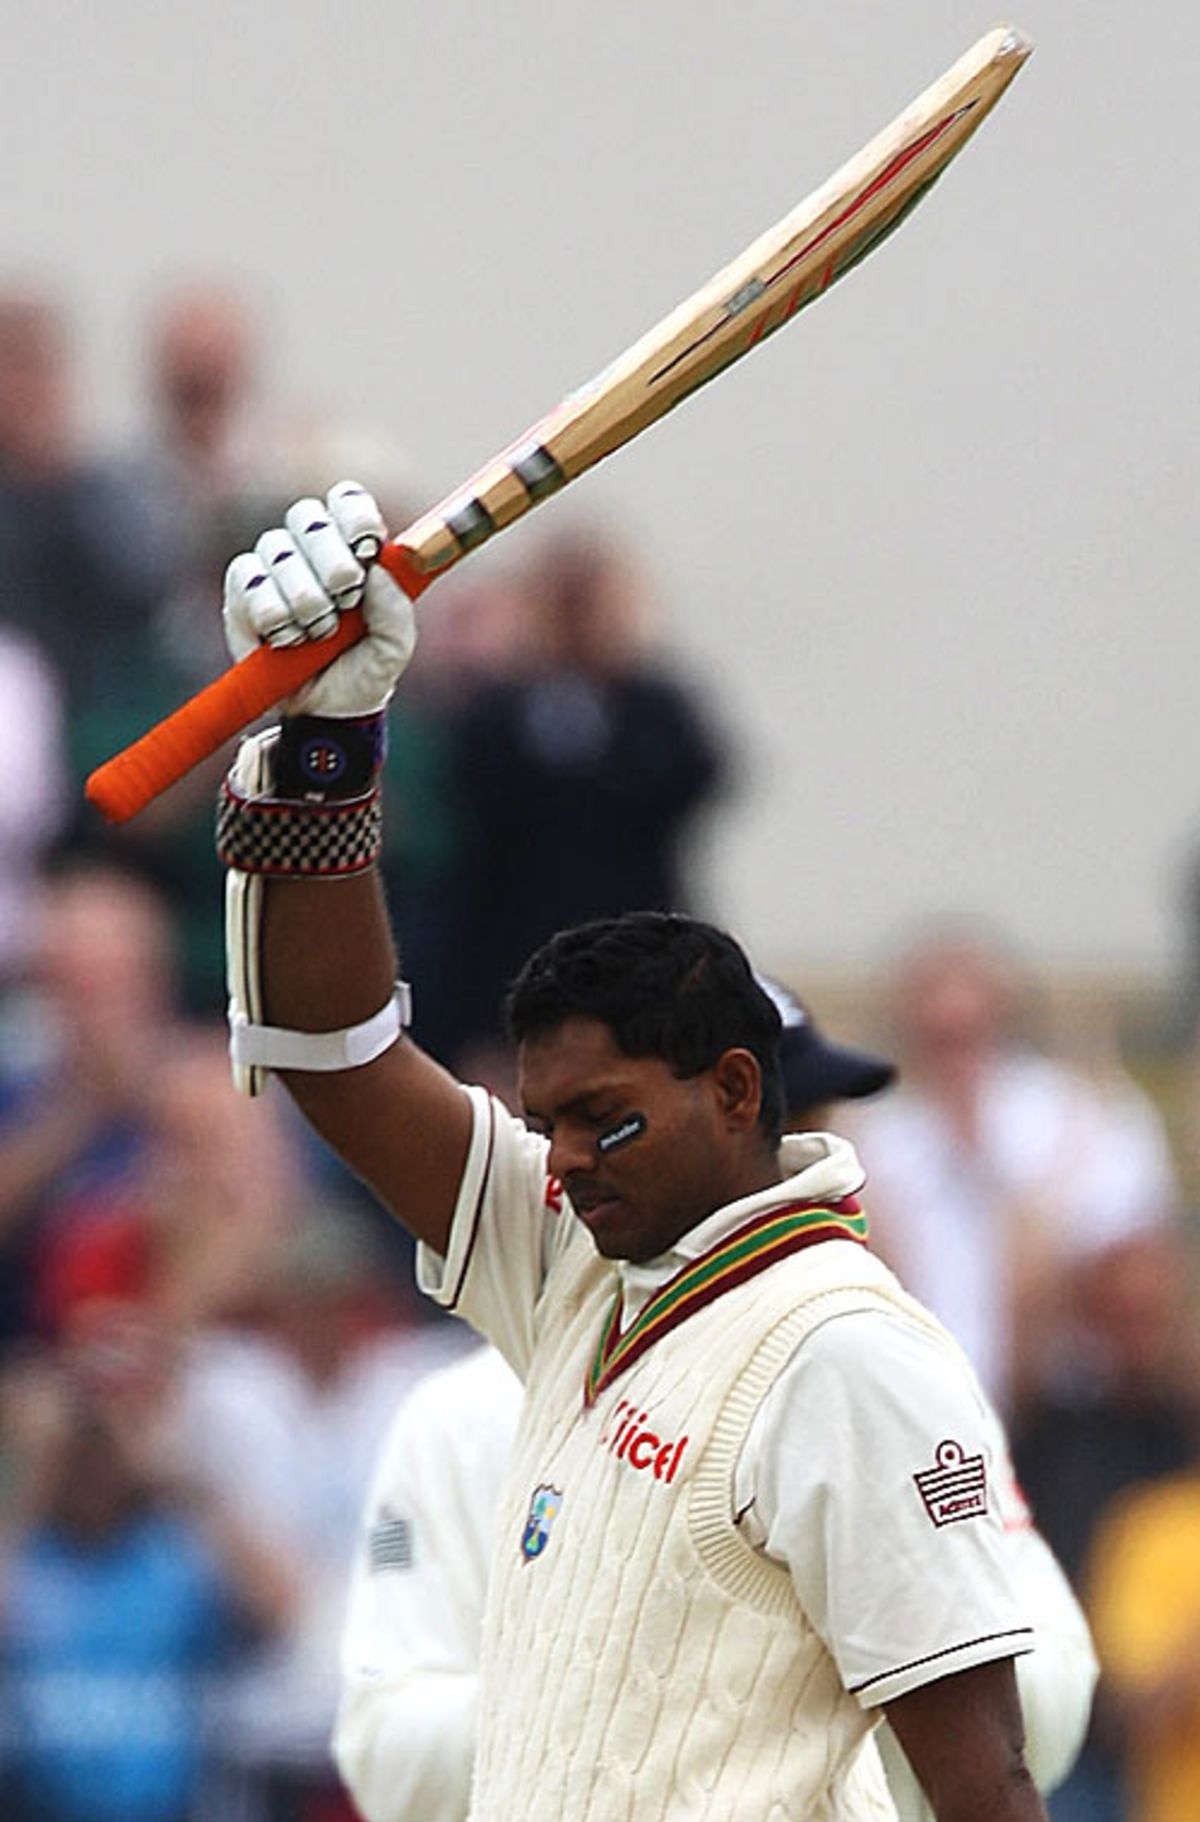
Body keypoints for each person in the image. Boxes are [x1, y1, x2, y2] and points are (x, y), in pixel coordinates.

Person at [212, 481, 1049, 1820]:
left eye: (606, 1118)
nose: (569, 1159)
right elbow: (336, 1050)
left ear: (732, 1090)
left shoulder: (846, 1352)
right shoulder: (579, 1262)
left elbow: (988, 1776)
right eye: (544, 1124)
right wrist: (325, 738)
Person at [333, 989, 1096, 1822]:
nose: (798, 1153)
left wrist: (848, 1680)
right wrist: (667, 1706)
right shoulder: (455, 1418)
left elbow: (1050, 1694)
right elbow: (385, 1749)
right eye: (781, 1120)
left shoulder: (887, 1367)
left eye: (814, 1117)